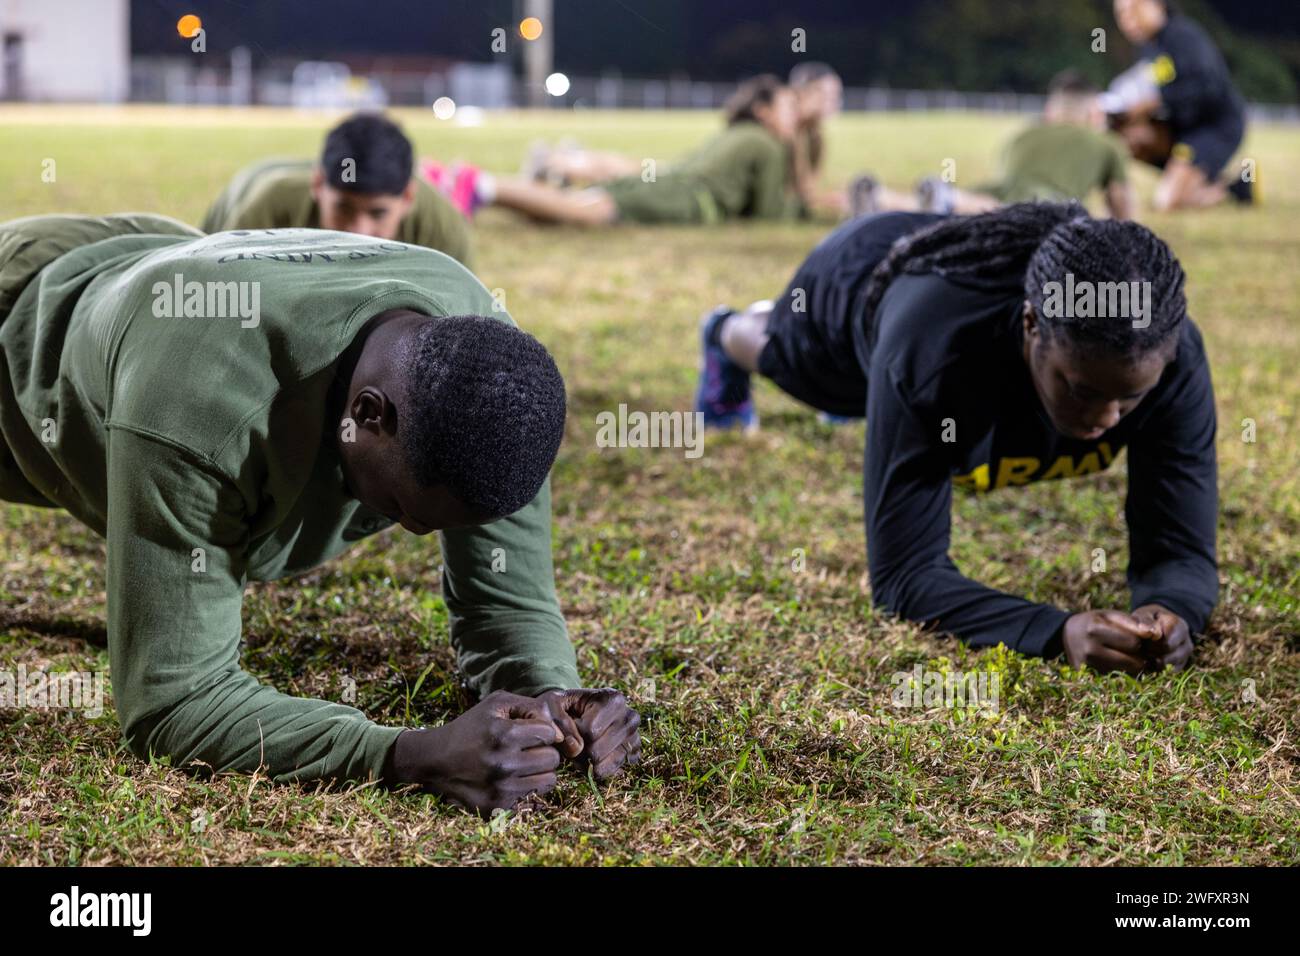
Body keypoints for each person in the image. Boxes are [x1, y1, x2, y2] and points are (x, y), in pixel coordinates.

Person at [0, 213, 640, 814]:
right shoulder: (193, 410)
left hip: (164, 264)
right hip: (24, 317)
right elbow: (176, 702)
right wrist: (406, 755)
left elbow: (508, 604)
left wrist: (549, 692)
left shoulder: (485, 368)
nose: (415, 532)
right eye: (404, 510)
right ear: (368, 415)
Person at [694, 203, 1216, 673]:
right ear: (1031, 324)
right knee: (786, 360)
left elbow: (1180, 547)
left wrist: (1170, 610)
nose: (1106, 417)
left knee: (893, 397)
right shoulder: (932, 353)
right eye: (1081, 390)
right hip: (858, 281)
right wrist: (1056, 632)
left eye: (1129, 398)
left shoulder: (1165, 354)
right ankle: (722, 331)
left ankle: (881, 402)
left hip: (959, 281)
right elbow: (904, 575)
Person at [429, 75, 802, 227]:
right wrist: (805, 209)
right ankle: (480, 186)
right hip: (683, 198)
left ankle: (482, 186)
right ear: (764, 111)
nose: (795, 115)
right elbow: (770, 213)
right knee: (586, 212)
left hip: (671, 185)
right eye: (788, 107)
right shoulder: (767, 145)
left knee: (574, 207)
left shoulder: (741, 131)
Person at [520, 64, 843, 218]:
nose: (830, 102)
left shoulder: (766, 135)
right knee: (593, 207)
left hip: (684, 182)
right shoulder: (769, 142)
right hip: (687, 190)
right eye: (823, 94)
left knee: (600, 193)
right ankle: (507, 182)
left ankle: (549, 171)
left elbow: (803, 189)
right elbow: (773, 210)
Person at [201, 112, 475, 267]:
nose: (359, 231)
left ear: (407, 198)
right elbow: (221, 300)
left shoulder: (442, 230)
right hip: (251, 185)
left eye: (378, 214)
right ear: (318, 186)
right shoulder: (266, 210)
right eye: (344, 208)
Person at [852, 71, 1133, 219]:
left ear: (1051, 109)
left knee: (981, 201)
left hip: (1003, 185)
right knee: (1012, 214)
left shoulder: (1022, 136)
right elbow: (1122, 208)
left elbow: (1009, 172)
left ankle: (883, 199)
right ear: (1093, 113)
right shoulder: (1106, 142)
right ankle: (949, 201)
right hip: (1050, 199)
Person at [1109, 0, 1253, 209]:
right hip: (1183, 128)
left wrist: (1154, 104)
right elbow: (1161, 89)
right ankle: (1185, 176)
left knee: (1168, 201)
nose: (1127, 20)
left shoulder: (1183, 36)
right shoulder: (1147, 47)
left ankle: (1235, 187)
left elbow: (1208, 88)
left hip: (1214, 127)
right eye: (1121, 14)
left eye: (1134, 10)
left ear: (1156, 5)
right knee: (1127, 135)